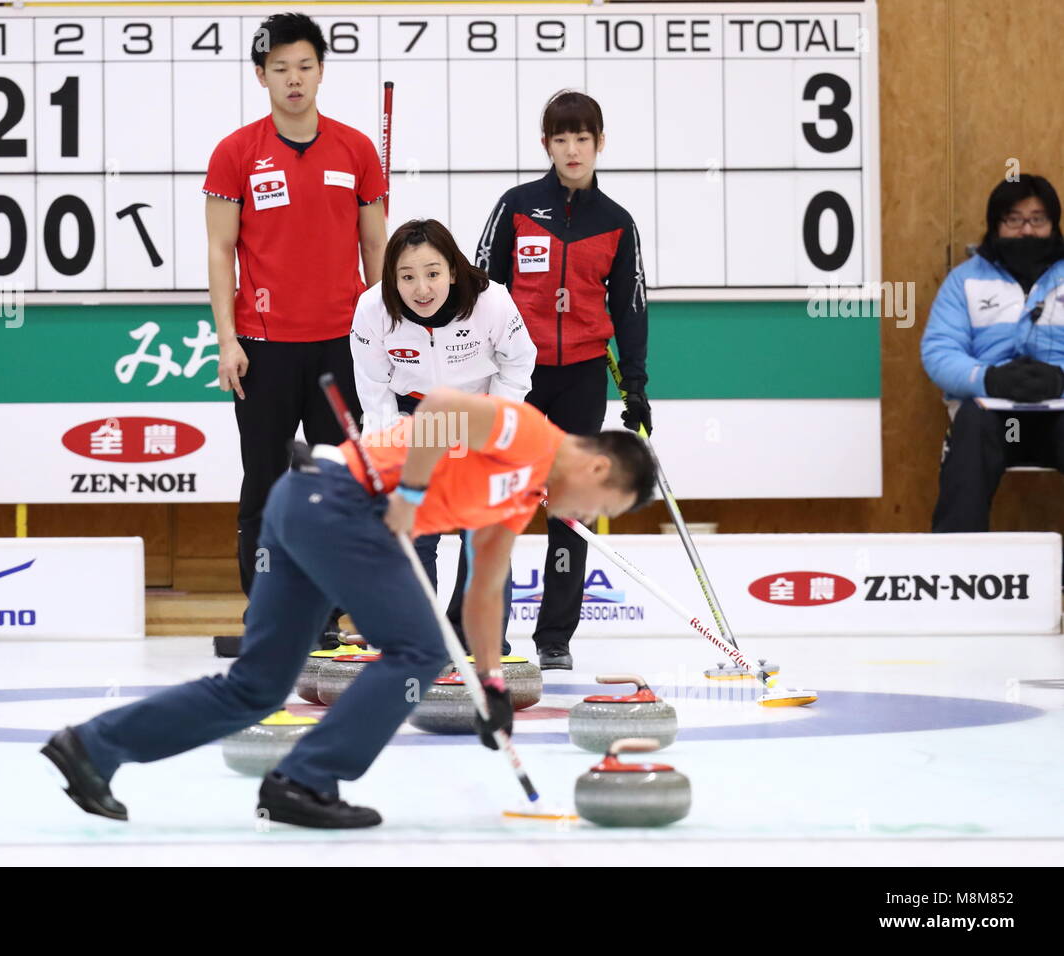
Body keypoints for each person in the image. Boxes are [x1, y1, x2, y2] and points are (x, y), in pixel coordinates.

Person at [42, 389, 656, 829]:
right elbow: (438, 414)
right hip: (336, 499)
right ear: (600, 467)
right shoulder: (528, 434)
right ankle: (304, 779)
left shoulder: (520, 498)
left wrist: (490, 682)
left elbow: (485, 591)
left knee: (257, 686)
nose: (592, 516)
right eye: (608, 504)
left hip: (308, 505)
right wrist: (412, 495)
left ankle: (92, 747)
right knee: (417, 649)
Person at [204, 12, 388, 651]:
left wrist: (385, 336)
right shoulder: (235, 153)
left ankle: (329, 619)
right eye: (279, 67)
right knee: (266, 481)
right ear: (261, 75)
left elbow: (376, 250)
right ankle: (268, 615)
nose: (293, 79)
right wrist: (227, 339)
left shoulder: (357, 150)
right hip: (263, 347)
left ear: (320, 72)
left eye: (305, 66)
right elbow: (220, 252)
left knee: (338, 484)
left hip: (342, 347)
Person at [476, 90, 650, 670]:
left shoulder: (616, 223)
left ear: (600, 143)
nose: (572, 149)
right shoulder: (517, 206)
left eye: (583, 138)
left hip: (579, 376)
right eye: (561, 138)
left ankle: (555, 637)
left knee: (567, 509)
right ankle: (488, 629)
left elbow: (630, 308)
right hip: (516, 378)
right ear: (545, 144)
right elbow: (480, 290)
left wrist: (637, 387)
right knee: (500, 501)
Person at [350, 218, 537, 653]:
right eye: (407, 277)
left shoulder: (492, 302)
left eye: (433, 273)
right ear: (392, 278)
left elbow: (519, 363)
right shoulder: (372, 308)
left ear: (453, 270)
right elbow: (373, 386)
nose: (422, 289)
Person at [921, 174, 1064, 536]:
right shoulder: (964, 280)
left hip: (1057, 422)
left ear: (1054, 224)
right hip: (999, 426)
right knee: (971, 429)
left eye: (1038, 219)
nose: (1026, 231)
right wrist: (989, 378)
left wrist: (1060, 379)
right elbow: (939, 351)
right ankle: (959, 572)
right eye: (1014, 220)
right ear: (995, 224)